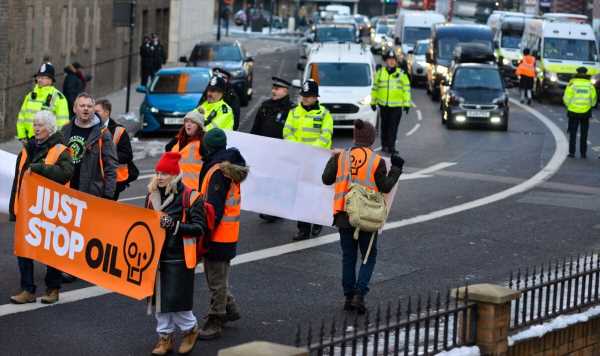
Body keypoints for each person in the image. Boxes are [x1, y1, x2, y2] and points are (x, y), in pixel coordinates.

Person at [322, 119, 403, 314]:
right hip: (366, 215)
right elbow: (385, 186)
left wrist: (333, 158)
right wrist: (396, 168)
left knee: (348, 257)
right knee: (368, 256)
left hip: (343, 214)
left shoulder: (341, 157)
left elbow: (326, 179)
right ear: (372, 140)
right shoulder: (377, 161)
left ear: (355, 138)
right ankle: (360, 294)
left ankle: (348, 296)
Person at [8, 111, 74, 305]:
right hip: (28, 208)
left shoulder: (61, 149)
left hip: (50, 209)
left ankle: (53, 289)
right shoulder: (26, 149)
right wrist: (15, 208)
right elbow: (18, 180)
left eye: (41, 125)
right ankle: (27, 289)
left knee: (51, 251)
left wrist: (39, 168)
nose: (36, 128)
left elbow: (66, 174)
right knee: (23, 249)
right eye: (35, 124)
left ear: (50, 128)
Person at [146, 152, 206, 356]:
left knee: (177, 301)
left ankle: (190, 330)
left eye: (165, 173)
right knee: (160, 302)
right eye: (158, 172)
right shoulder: (151, 195)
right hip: (155, 256)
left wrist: (175, 225)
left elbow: (199, 228)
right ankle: (165, 338)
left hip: (179, 256)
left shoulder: (191, 196)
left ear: (174, 175)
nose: (160, 177)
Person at [197, 128, 248, 340]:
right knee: (219, 276)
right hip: (228, 234)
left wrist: (204, 232)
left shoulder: (218, 172)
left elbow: (213, 209)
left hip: (218, 234)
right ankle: (230, 308)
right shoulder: (227, 166)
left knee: (215, 279)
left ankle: (215, 319)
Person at [61, 93, 118, 283]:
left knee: (87, 231)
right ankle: (69, 267)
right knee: (68, 231)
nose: (85, 109)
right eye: (82, 105)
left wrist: (109, 195)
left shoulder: (103, 133)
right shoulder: (65, 130)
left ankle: (83, 266)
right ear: (75, 108)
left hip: (91, 192)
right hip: (69, 189)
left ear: (94, 109)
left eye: (89, 106)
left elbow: (111, 166)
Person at [283, 79, 333, 241]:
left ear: (316, 97)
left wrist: (311, 151)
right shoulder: (294, 112)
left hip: (317, 160)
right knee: (301, 194)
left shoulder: (324, 114)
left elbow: (326, 136)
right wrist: (299, 149)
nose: (305, 98)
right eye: (304, 95)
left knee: (315, 193)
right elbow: (287, 132)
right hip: (299, 159)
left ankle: (317, 221)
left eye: (309, 95)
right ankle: (303, 229)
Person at [251, 76, 294, 222]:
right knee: (266, 181)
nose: (273, 91)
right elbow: (256, 127)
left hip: (282, 152)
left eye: (277, 89)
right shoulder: (265, 105)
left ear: (286, 91)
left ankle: (276, 211)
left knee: (278, 182)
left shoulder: (292, 109)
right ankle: (270, 208)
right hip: (265, 151)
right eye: (273, 88)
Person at [95, 99, 138, 200]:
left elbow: (127, 155)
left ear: (106, 112)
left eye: (97, 111)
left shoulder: (119, 130)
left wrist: (106, 156)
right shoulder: (90, 127)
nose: (93, 114)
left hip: (114, 179)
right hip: (94, 179)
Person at [371, 49, 412, 155]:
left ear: (396, 61)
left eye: (393, 59)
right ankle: (384, 146)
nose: (391, 62)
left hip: (396, 106)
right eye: (389, 59)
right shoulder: (380, 73)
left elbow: (406, 90)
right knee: (384, 126)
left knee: (393, 127)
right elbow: (375, 88)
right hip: (383, 105)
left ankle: (391, 147)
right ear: (386, 61)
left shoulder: (401, 74)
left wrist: (407, 104)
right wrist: (373, 102)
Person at [16, 63, 70, 141]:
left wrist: (55, 140)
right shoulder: (30, 96)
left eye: (43, 77)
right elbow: (21, 117)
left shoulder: (58, 97)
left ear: (51, 80)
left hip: (47, 141)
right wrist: (22, 136)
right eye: (38, 77)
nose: (40, 80)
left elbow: (62, 123)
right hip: (28, 140)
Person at [164, 110, 206, 190]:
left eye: (193, 122)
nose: (188, 124)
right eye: (186, 121)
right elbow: (167, 150)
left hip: (193, 189)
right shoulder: (178, 139)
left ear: (199, 126)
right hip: (174, 187)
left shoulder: (203, 142)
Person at [563, 67, 597, 159]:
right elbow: (594, 99)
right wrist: (590, 106)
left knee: (573, 133)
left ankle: (572, 153)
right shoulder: (590, 85)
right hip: (585, 112)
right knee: (584, 133)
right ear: (586, 74)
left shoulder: (572, 84)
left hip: (573, 111)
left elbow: (566, 98)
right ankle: (583, 153)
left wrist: (569, 106)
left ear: (577, 73)